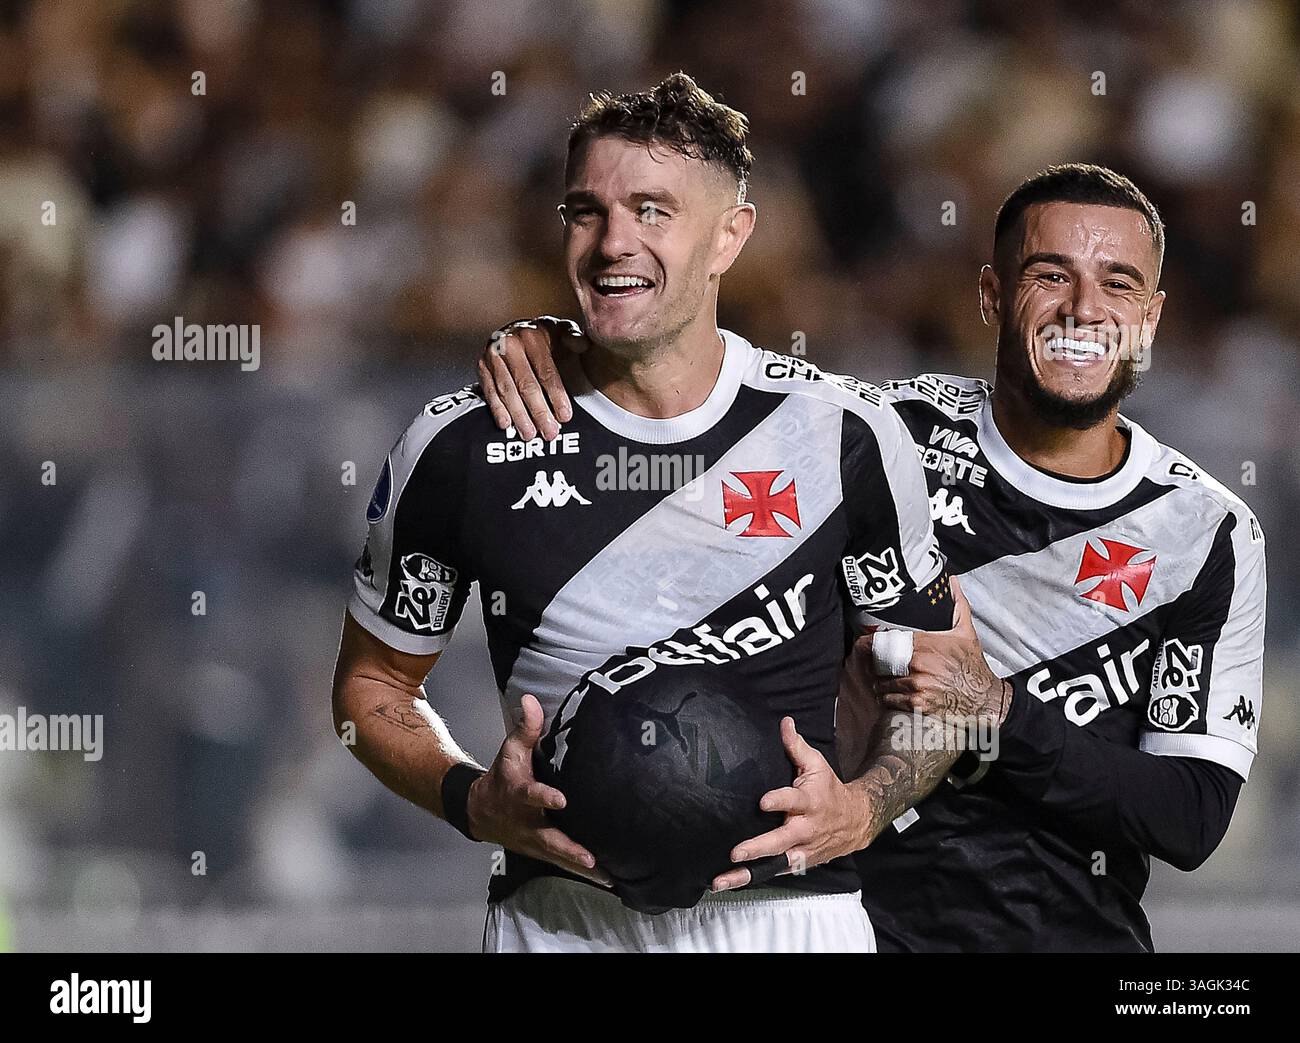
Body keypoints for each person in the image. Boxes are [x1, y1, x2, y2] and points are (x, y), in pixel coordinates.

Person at [479, 163, 1267, 952]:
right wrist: (577, 358)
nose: (1084, 308)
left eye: (1118, 283)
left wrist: (994, 711)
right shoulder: (879, 434)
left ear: (1152, 316)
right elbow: (683, 423)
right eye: (1049, 274)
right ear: (992, 295)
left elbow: (1190, 814)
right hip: (838, 929)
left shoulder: (1205, 534)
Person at [331, 73, 962, 953]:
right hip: (560, 922)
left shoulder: (845, 434)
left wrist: (867, 805)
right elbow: (371, 687)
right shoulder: (461, 445)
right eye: (585, 211)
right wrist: (469, 797)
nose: (611, 242)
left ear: (729, 237)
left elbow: (946, 681)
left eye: (653, 210)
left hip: (790, 919)